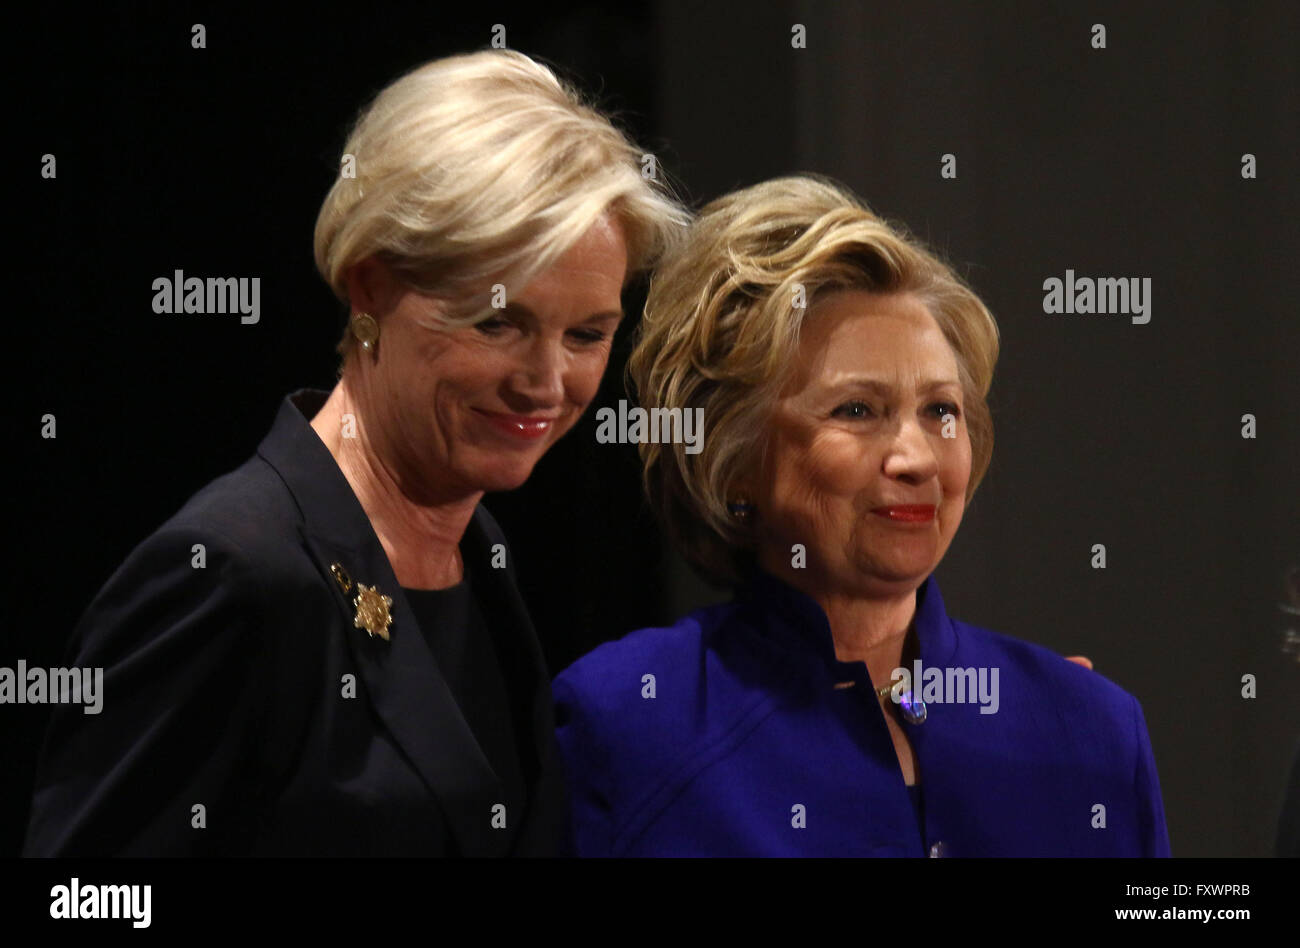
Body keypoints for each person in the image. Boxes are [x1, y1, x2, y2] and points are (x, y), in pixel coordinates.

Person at [23, 49, 686, 856]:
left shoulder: (479, 553)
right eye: (499, 323)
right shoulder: (232, 573)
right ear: (370, 289)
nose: (546, 384)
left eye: (586, 335)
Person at [552, 175, 1171, 857]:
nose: (917, 459)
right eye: (857, 410)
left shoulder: (1093, 729)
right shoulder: (625, 721)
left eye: (940, 411)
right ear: (734, 458)